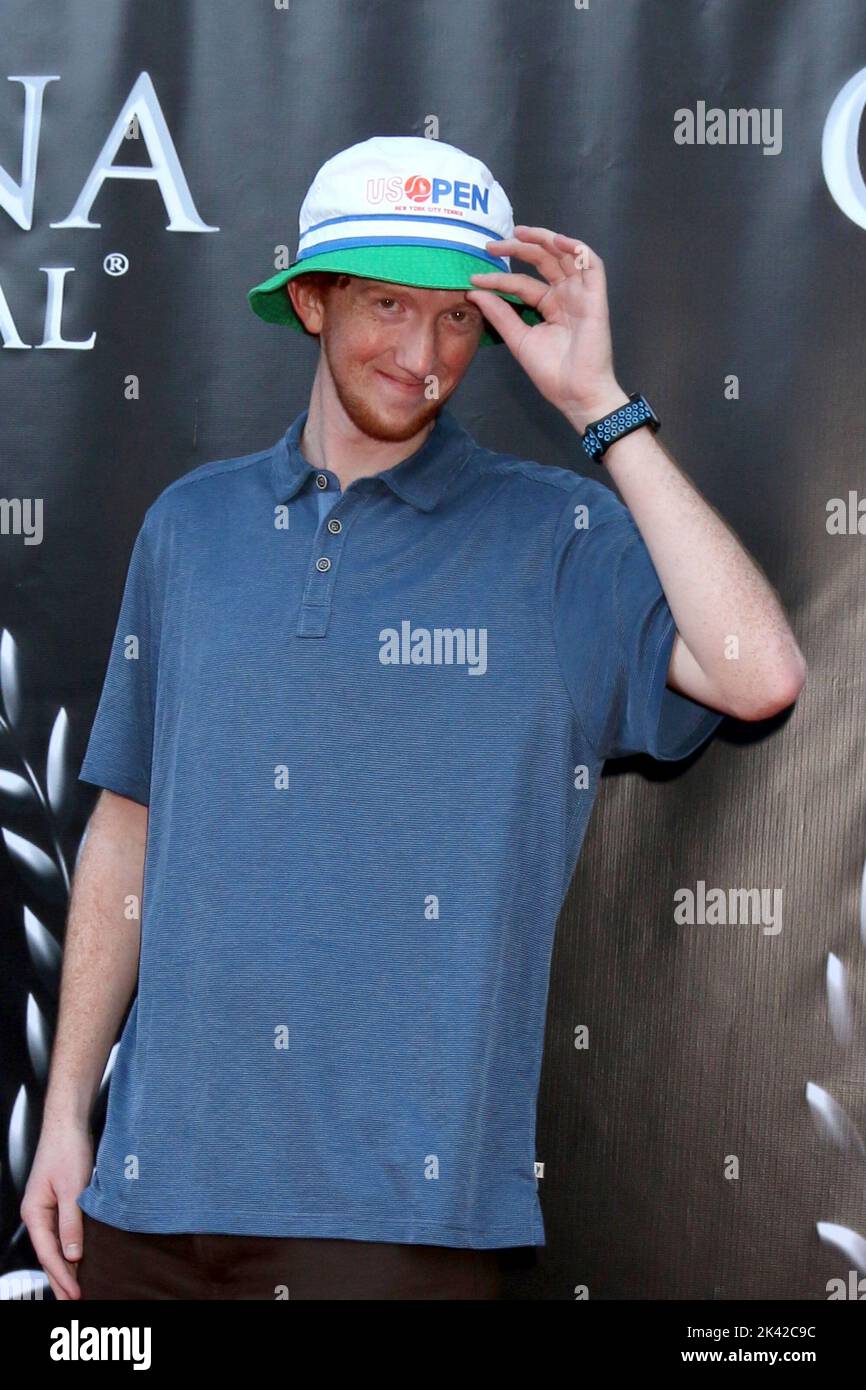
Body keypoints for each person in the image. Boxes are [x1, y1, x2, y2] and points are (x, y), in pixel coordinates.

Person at [21, 135, 806, 1301]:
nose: (420, 353)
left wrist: (598, 404)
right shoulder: (188, 528)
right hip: (147, 1202)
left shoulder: (556, 537)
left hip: (400, 1224)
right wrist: (67, 1115)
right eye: (387, 304)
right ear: (310, 301)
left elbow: (756, 676)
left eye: (454, 319)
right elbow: (126, 829)